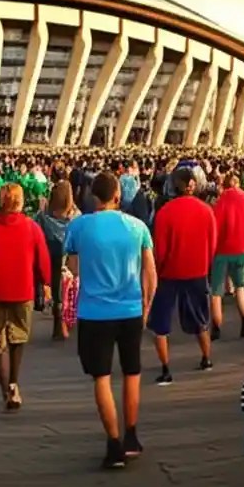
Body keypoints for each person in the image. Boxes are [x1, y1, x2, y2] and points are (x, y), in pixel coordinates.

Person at [64, 171, 156, 470]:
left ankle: (114, 443)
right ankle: (131, 435)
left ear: (93, 196)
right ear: (118, 196)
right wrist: (146, 306)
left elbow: (72, 268)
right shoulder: (137, 226)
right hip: (129, 309)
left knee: (101, 377)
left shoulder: (78, 226)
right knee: (132, 372)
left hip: (94, 312)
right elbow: (150, 274)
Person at [0, 183, 52, 411]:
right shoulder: (32, 227)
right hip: (22, 291)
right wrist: (46, 282)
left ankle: (5, 386)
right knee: (18, 339)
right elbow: (42, 257)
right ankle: (15, 383)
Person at [149, 167, 217, 385]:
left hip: (169, 272)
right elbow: (212, 243)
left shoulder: (165, 213)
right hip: (197, 270)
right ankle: (206, 357)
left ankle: (166, 368)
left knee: (161, 322)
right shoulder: (206, 210)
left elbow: (160, 249)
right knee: (200, 317)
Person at [211, 172, 244, 341]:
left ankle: (216, 327)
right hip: (243, 249)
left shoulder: (220, 201)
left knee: (216, 291)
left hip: (222, 251)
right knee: (240, 287)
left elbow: (214, 228)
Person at [35, 180, 78, 341]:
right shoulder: (75, 216)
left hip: (50, 254)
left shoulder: (44, 216)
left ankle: (58, 320)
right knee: (68, 288)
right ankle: (66, 321)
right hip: (69, 256)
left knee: (55, 288)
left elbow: (35, 230)